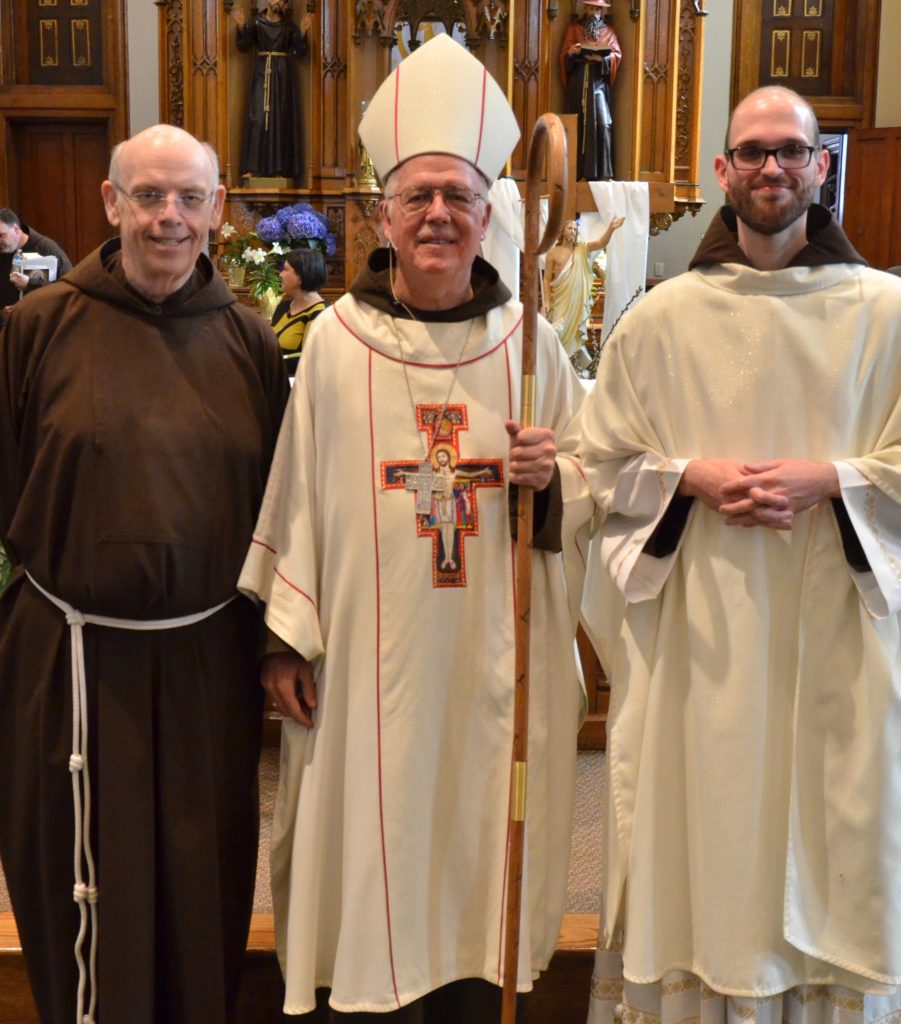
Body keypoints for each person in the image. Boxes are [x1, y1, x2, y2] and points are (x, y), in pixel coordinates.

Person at [239, 31, 593, 1022]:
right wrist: (281, 642)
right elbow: (297, 499)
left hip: (494, 664)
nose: (439, 215)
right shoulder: (341, 349)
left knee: (482, 865)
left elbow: (599, 479)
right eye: (417, 197)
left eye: (459, 197)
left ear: (489, 216)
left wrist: (549, 476)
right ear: (383, 216)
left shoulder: (530, 347)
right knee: (374, 860)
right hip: (365, 668)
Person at [579, 86, 901, 1024]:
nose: (772, 168)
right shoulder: (662, 318)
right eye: (752, 152)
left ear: (821, 166)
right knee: (712, 820)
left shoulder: (885, 313)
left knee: (842, 814)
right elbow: (601, 462)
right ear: (722, 171)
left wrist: (831, 478)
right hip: (705, 637)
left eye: (791, 151)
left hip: (842, 630)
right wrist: (690, 477)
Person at [0, 124, 288, 1024]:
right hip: (72, 658)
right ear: (110, 204)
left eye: (189, 198)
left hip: (207, 660)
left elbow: (281, 515)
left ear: (216, 210)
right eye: (150, 196)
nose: (169, 218)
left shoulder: (250, 344)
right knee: (80, 876)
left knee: (201, 881)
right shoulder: (34, 329)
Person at [232, 0, 313, 180]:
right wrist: (241, 26)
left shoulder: (289, 27)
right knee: (258, 118)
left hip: (283, 77)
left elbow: (300, 51)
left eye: (284, 0)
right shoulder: (256, 23)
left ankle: (280, 170)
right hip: (262, 74)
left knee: (280, 121)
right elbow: (244, 45)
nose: (280, 3)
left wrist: (302, 32)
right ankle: (253, 168)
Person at [543, 215, 623, 361]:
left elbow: (600, 243)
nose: (573, 231)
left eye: (575, 229)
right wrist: (547, 301)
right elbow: (547, 278)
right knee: (558, 330)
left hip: (577, 299)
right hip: (560, 297)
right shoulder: (553, 253)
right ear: (562, 231)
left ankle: (574, 366)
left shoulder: (581, 248)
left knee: (573, 333)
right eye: (569, 228)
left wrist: (610, 229)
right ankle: (557, 363)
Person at [559, 0, 621, 181]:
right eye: (591, 8)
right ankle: (577, 173)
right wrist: (570, 53)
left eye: (597, 9)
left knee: (602, 123)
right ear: (585, 9)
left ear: (602, 11)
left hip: (598, 83)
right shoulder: (574, 29)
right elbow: (564, 54)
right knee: (579, 124)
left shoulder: (609, 32)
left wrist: (601, 59)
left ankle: (603, 173)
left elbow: (616, 54)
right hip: (578, 82)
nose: (594, 13)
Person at [0, 207, 72, 323]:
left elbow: (68, 289)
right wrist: (2, 315)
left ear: (16, 230)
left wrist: (30, 284)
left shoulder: (46, 248)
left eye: (1, 235)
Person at [271, 247, 327, 376]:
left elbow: (311, 362)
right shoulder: (283, 307)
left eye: (285, 270)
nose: (280, 274)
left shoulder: (320, 313)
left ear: (301, 276)